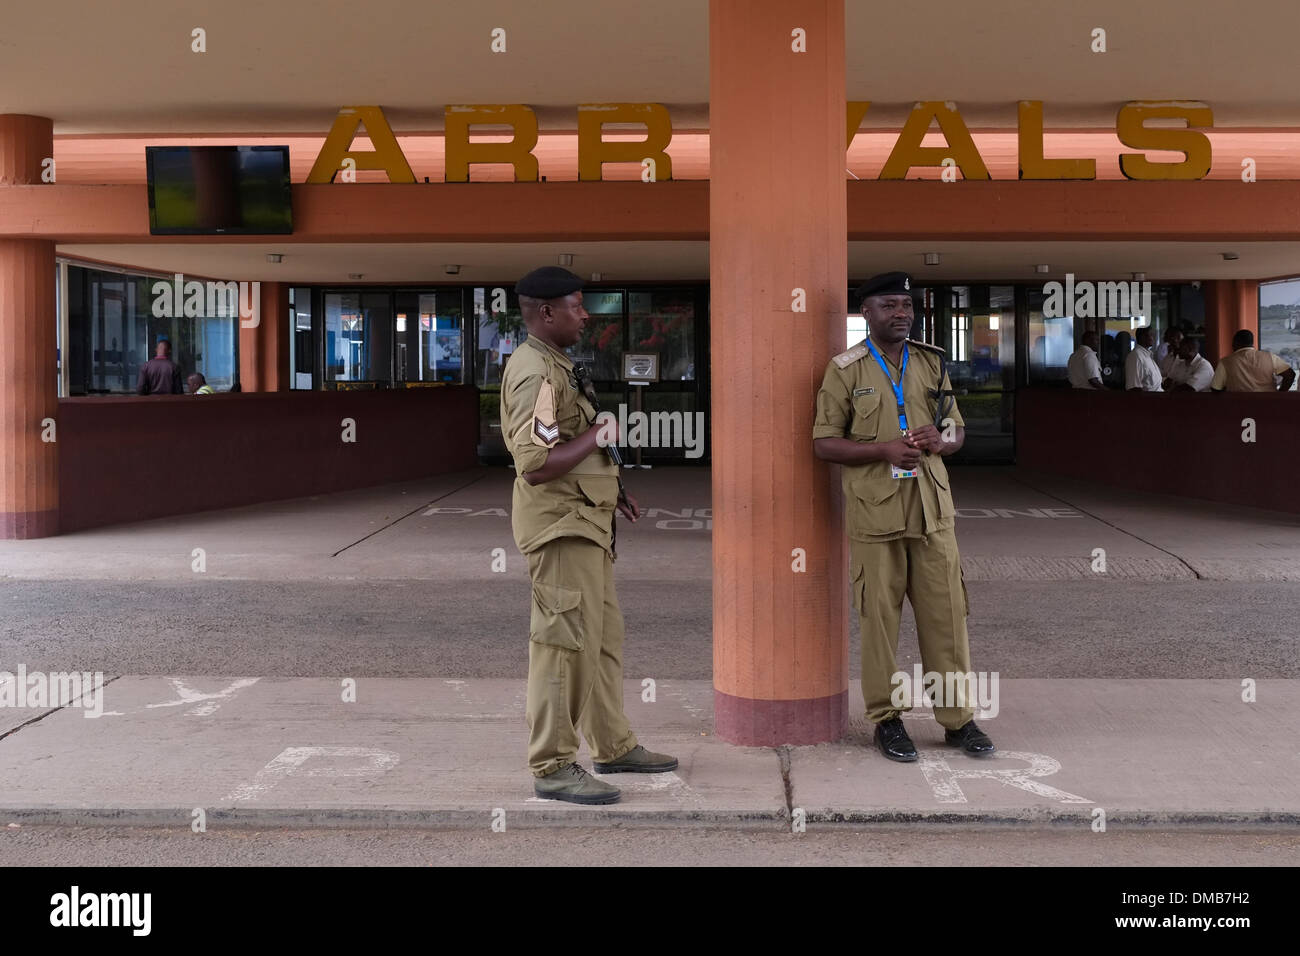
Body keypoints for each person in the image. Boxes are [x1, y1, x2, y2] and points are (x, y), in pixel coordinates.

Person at [499, 266, 677, 805]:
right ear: (546, 312)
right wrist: (601, 434)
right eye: (577, 306)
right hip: (561, 527)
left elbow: (571, 443)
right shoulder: (535, 372)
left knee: (601, 641)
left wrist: (611, 483)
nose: (585, 316)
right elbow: (535, 463)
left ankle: (612, 744)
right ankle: (553, 765)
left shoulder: (557, 364)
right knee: (563, 646)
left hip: (587, 520)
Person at [812, 271, 994, 763]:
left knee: (948, 620)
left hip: (934, 515)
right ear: (866, 313)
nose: (901, 313)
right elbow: (824, 443)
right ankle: (887, 720)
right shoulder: (845, 370)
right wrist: (882, 450)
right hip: (877, 517)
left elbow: (955, 428)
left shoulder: (932, 363)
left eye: (907, 305)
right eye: (889, 305)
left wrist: (944, 440)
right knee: (879, 624)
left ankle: (958, 721)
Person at [1210, 329, 1297, 392]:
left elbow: (1215, 388)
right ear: (1252, 343)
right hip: (1268, 404)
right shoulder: (1269, 356)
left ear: (1235, 343)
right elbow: (1290, 375)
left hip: (1239, 407)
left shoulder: (1225, 362)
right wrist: (1280, 394)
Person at [1124, 326, 1163, 391]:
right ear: (1142, 337)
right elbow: (1133, 388)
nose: (1153, 338)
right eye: (1150, 335)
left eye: (1153, 335)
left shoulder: (1148, 355)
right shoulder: (1135, 356)